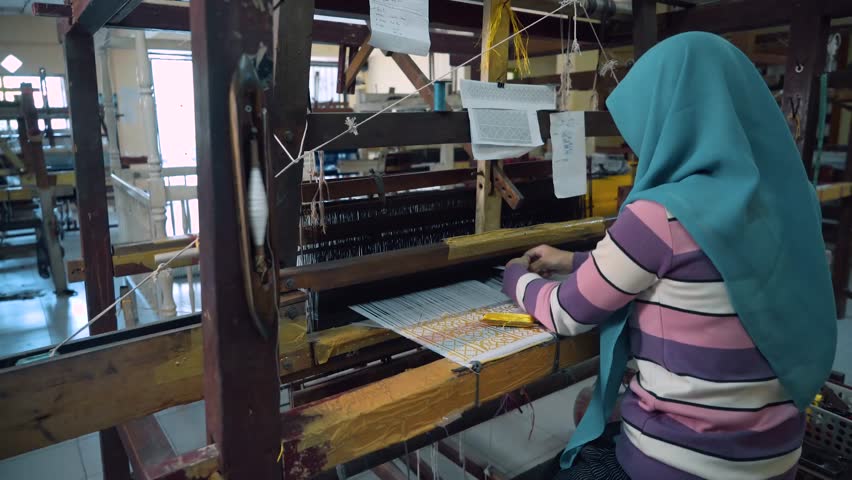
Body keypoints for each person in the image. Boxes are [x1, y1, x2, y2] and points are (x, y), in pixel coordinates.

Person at [502, 31, 837, 480]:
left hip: (683, 465)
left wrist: (513, 276)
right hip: (776, 460)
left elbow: (566, 312)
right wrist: (570, 260)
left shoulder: (661, 215)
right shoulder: (793, 202)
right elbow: (701, 269)